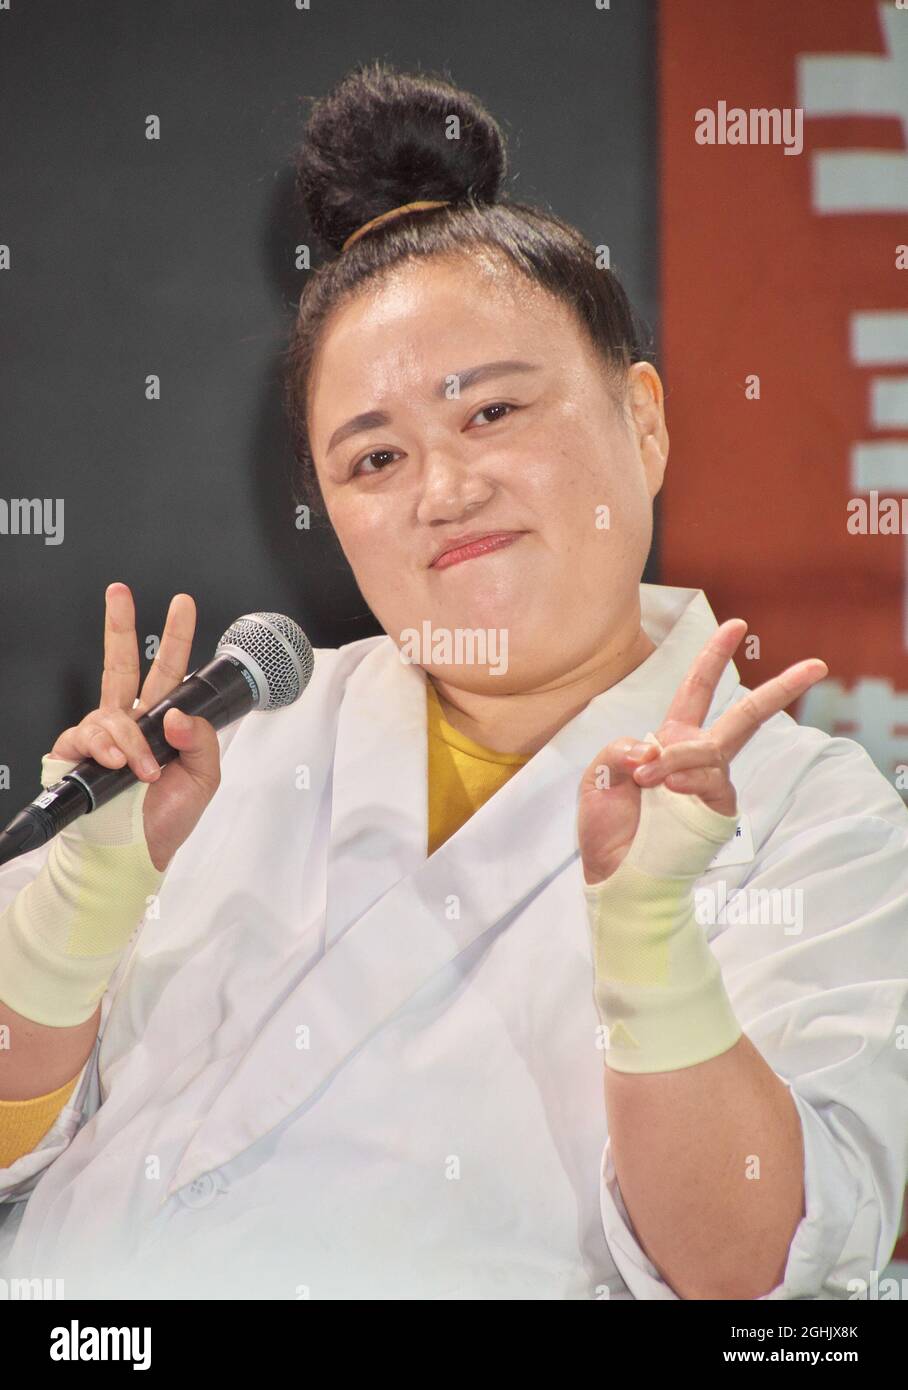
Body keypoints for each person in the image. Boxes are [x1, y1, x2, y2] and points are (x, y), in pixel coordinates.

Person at [0, 61, 905, 1301]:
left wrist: (650, 952)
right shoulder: (229, 741)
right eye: (373, 457)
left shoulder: (813, 817)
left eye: (489, 414)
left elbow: (758, 1275)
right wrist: (62, 934)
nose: (441, 490)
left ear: (640, 421)